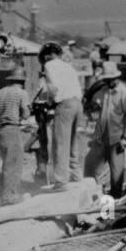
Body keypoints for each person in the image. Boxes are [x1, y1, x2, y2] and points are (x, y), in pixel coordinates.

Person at [84, 62, 126, 197]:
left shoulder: (124, 93)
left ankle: (115, 203)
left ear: (116, 77)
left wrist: (125, 138)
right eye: (106, 79)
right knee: (90, 167)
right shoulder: (103, 92)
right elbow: (93, 109)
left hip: (116, 138)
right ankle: (90, 195)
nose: (108, 82)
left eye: (110, 79)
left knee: (116, 175)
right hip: (101, 137)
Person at [38, 41, 83, 188]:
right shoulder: (67, 66)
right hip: (78, 104)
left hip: (65, 105)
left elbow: (53, 88)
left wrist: (48, 102)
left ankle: (61, 181)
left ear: (47, 56)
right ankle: (76, 174)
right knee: (73, 141)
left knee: (60, 143)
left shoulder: (49, 65)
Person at [0, 65, 30, 205]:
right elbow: (25, 115)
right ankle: (9, 196)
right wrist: (27, 111)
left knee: (5, 163)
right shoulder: (22, 93)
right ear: (22, 81)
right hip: (12, 130)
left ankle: (4, 194)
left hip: (0, 130)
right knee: (13, 164)